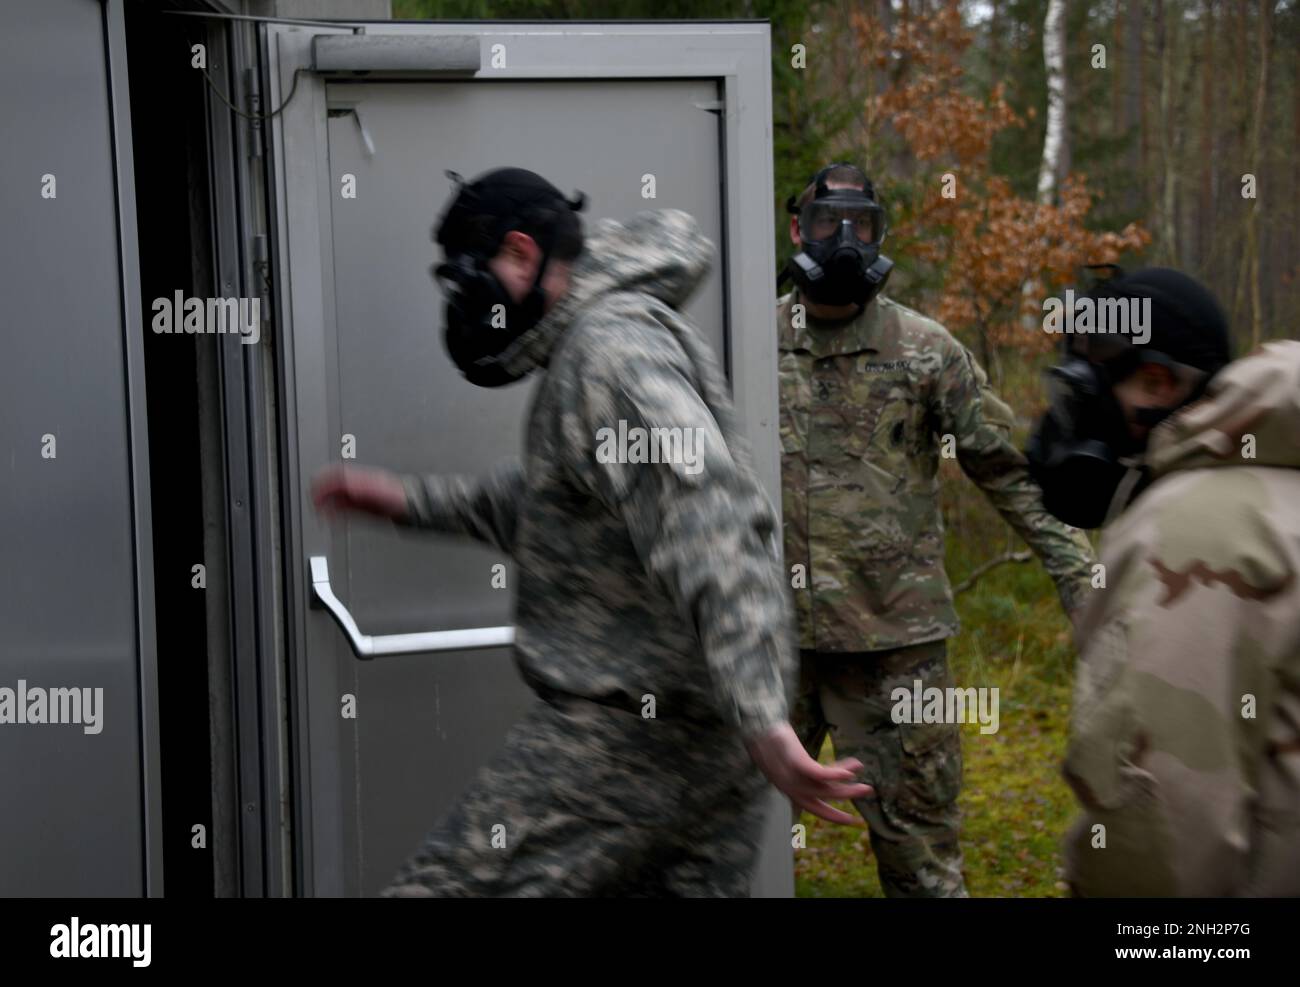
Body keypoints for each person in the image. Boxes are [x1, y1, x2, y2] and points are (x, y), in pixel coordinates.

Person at [312, 167, 870, 897]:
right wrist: (410, 502)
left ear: (519, 253)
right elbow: (572, 507)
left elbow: (708, 520)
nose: (464, 302)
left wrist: (763, 714)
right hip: (698, 730)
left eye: (467, 278)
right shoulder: (595, 344)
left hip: (632, 735)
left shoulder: (609, 354)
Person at [777, 162, 1095, 897]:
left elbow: (1008, 471)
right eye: (828, 225)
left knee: (922, 866)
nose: (845, 241)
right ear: (798, 231)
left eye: (863, 225)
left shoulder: (925, 350)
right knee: (730, 850)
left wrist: (1080, 578)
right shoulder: (751, 344)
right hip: (768, 648)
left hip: (897, 655)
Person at [1024, 266, 1300, 896]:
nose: (1069, 414)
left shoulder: (1190, 528)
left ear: (1158, 381)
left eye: (1088, 385)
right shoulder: (1281, 488)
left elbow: (1160, 826)